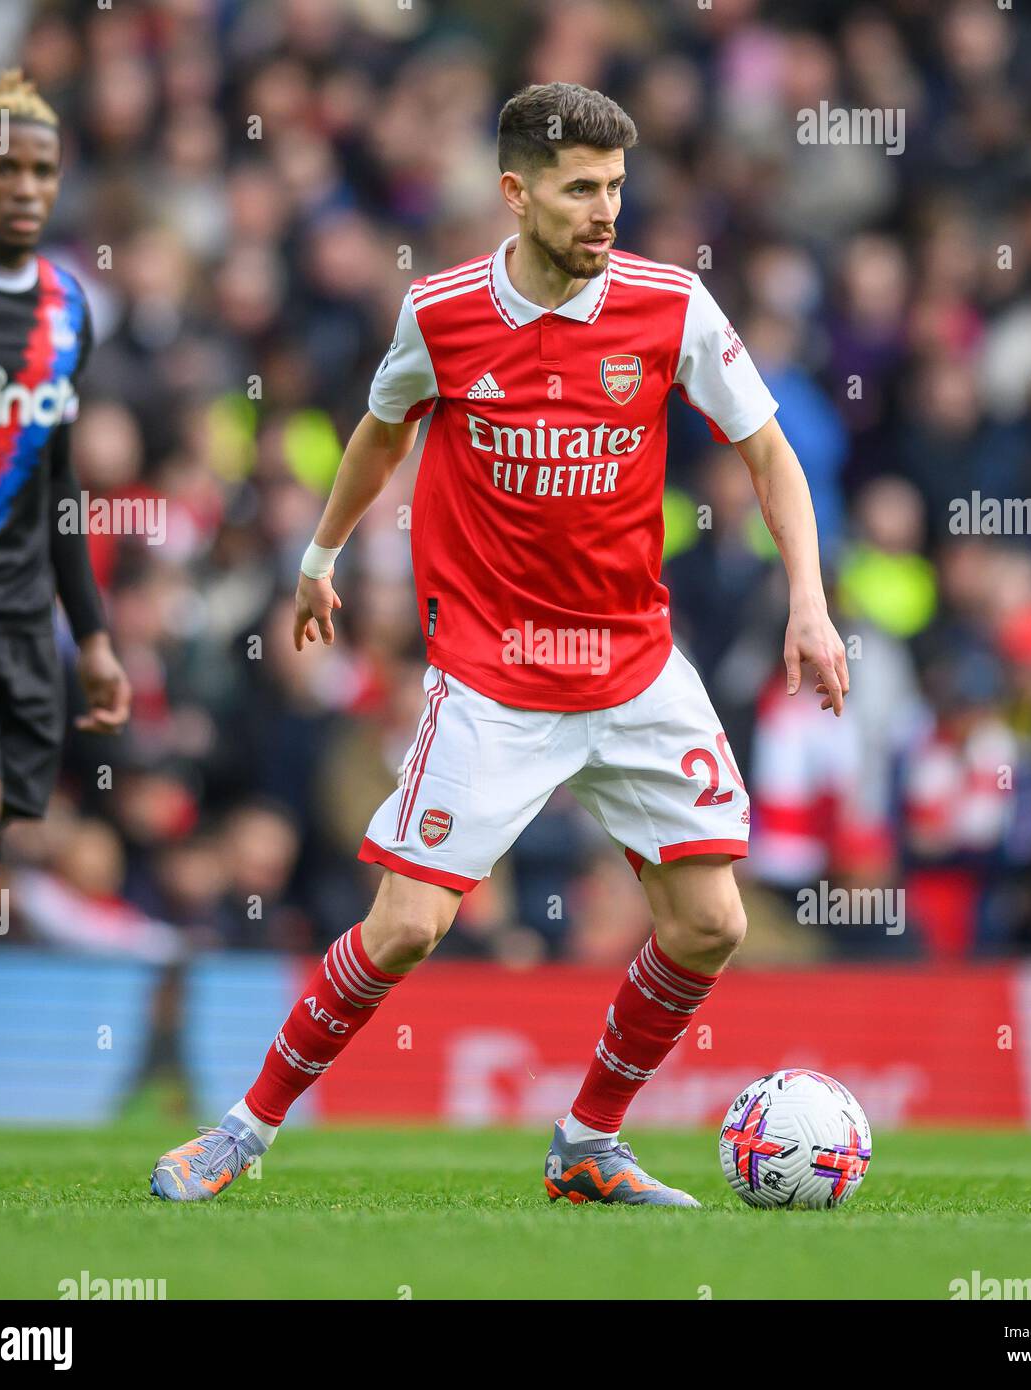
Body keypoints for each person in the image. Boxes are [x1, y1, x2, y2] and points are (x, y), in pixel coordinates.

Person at [151, 82, 846, 1207]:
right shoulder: (441, 314)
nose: (604, 211)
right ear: (515, 193)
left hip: (630, 664)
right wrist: (320, 555)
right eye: (580, 190)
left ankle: (585, 1144)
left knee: (711, 921)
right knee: (407, 925)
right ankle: (241, 1130)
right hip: (491, 674)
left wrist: (807, 604)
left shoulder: (670, 307)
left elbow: (769, 455)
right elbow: (382, 430)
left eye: (616, 187)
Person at [0, 71, 131, 1170]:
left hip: (22, 628)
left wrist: (90, 633)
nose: (26, 186)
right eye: (5, 164)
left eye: (44, 169)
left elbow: (53, 487)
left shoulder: (65, 311)